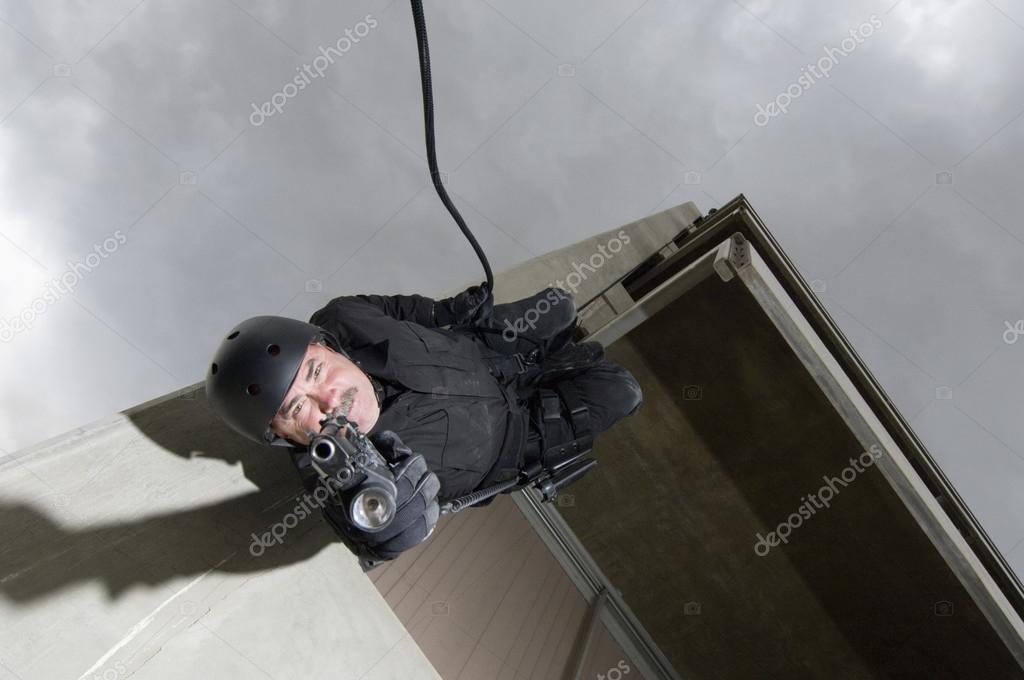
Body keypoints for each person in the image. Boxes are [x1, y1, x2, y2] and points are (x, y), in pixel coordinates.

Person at [204, 284, 643, 570]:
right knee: (622, 389)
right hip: (520, 433)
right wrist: (388, 525)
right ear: (284, 437)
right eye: (298, 408)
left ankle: (548, 354)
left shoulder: (344, 316)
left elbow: (399, 308)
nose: (328, 400)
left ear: (327, 344)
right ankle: (558, 372)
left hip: (486, 350)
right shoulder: (345, 474)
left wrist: (447, 311)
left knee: (561, 305)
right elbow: (371, 528)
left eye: (317, 372)